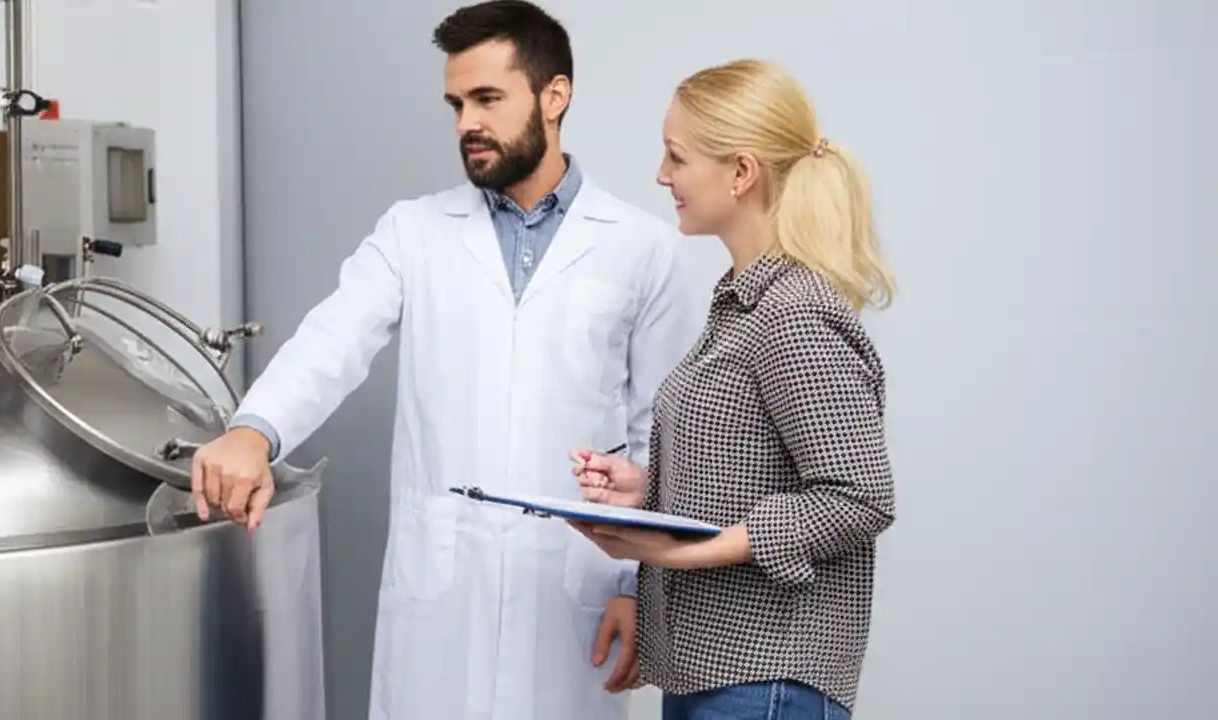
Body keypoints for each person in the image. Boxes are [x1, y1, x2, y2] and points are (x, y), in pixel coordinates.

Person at [190, 2, 698, 718]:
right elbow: (332, 340)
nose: (467, 123)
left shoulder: (642, 248)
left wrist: (638, 590)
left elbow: (664, 437)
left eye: (488, 98)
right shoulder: (415, 232)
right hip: (441, 589)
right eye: (457, 103)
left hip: (576, 593)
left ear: (555, 96)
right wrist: (255, 430)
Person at [569, 58, 897, 720]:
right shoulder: (742, 309)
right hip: (714, 676)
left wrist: (688, 552)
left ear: (741, 172)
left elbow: (859, 496)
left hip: (765, 679)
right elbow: (754, 470)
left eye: (676, 157)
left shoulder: (794, 313)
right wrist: (650, 488)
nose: (662, 176)